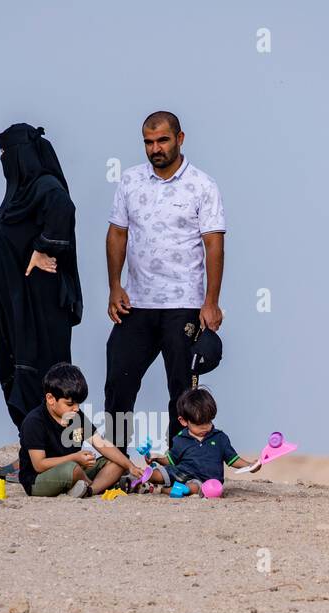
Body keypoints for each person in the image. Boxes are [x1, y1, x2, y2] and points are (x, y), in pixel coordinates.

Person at [0, 124, 82, 481]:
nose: (3, 162)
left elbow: (64, 209)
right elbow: (2, 238)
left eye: (6, 155)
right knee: (18, 372)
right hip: (14, 307)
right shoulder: (18, 197)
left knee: (44, 377)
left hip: (39, 308)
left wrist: (45, 247)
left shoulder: (46, 188)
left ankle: (58, 457)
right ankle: (33, 454)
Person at [104, 110, 226, 453]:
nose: (155, 148)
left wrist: (211, 301)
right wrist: (115, 286)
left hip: (183, 303)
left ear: (180, 139)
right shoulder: (129, 181)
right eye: (148, 142)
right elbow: (116, 234)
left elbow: (213, 241)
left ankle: (181, 460)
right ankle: (116, 457)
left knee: (181, 390)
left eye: (162, 140)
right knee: (119, 382)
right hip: (137, 303)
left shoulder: (203, 185)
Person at [17, 363, 143, 498]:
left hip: (76, 470)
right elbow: (39, 465)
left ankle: (90, 490)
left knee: (118, 461)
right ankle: (97, 486)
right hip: (39, 480)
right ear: (50, 399)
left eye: (78, 404)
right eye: (70, 404)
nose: (76, 408)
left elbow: (101, 443)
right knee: (72, 469)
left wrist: (130, 466)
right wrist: (75, 458)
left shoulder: (76, 415)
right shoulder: (35, 421)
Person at [143, 388, 258, 496]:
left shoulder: (220, 438)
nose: (204, 428)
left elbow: (233, 459)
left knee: (194, 487)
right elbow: (171, 460)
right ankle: (140, 480)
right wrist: (156, 457)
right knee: (156, 474)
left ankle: (172, 489)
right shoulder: (180, 439)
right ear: (183, 421)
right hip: (181, 472)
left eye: (208, 422)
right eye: (198, 425)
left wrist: (249, 465)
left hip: (204, 480)